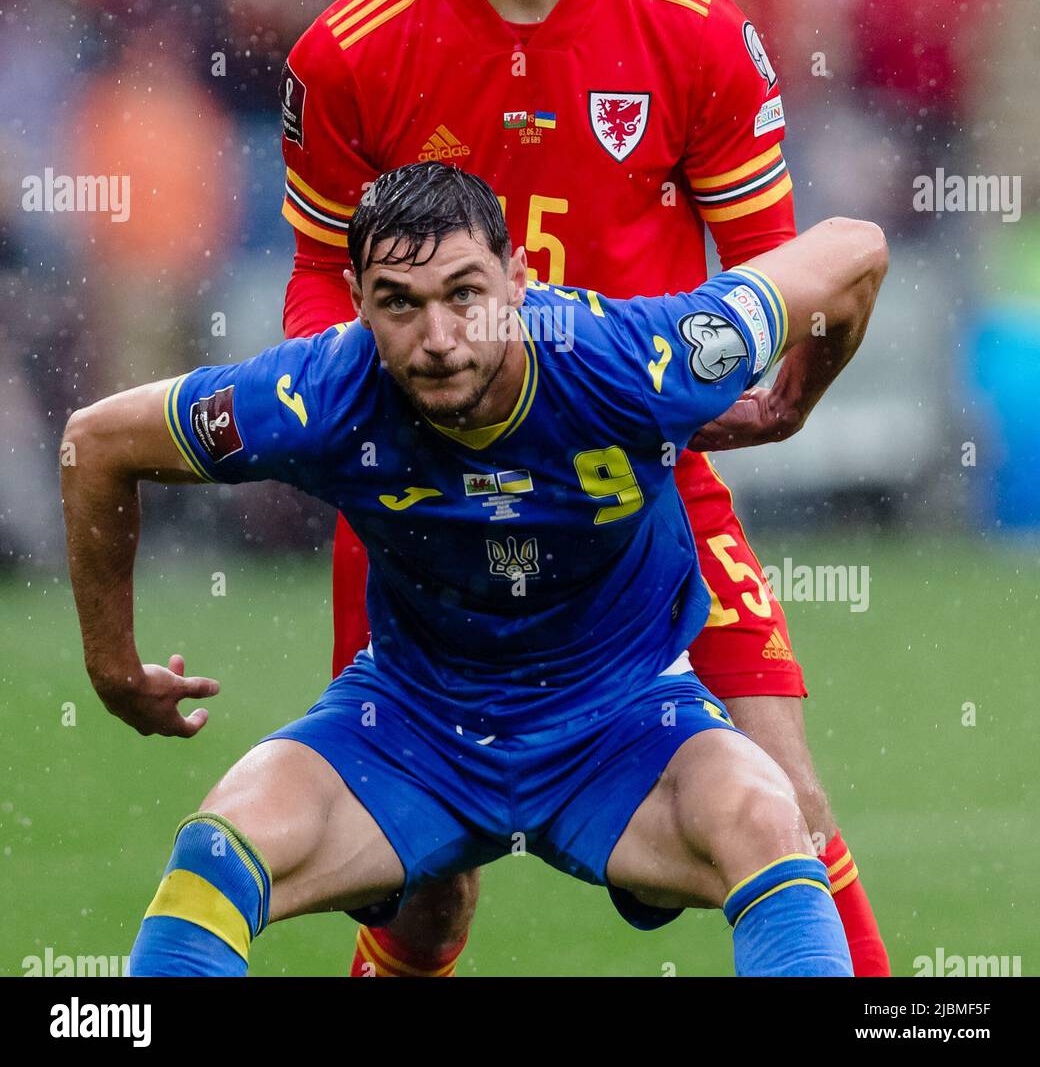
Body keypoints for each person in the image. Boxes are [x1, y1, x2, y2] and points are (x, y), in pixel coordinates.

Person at [276, 0, 890, 974]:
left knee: (788, 808)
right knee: (416, 896)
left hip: (642, 481)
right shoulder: (347, 53)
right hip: (420, 498)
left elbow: (784, 275)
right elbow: (315, 292)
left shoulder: (697, 33)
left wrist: (787, 396)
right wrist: (347, 417)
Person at [62, 163, 887, 978]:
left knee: (768, 820)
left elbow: (855, 248)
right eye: (400, 304)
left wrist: (788, 406)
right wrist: (111, 670)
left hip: (628, 725)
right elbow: (95, 445)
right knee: (216, 852)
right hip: (414, 729)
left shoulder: (639, 362)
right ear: (357, 303)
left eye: (465, 294)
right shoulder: (316, 393)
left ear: (518, 278)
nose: (440, 339)